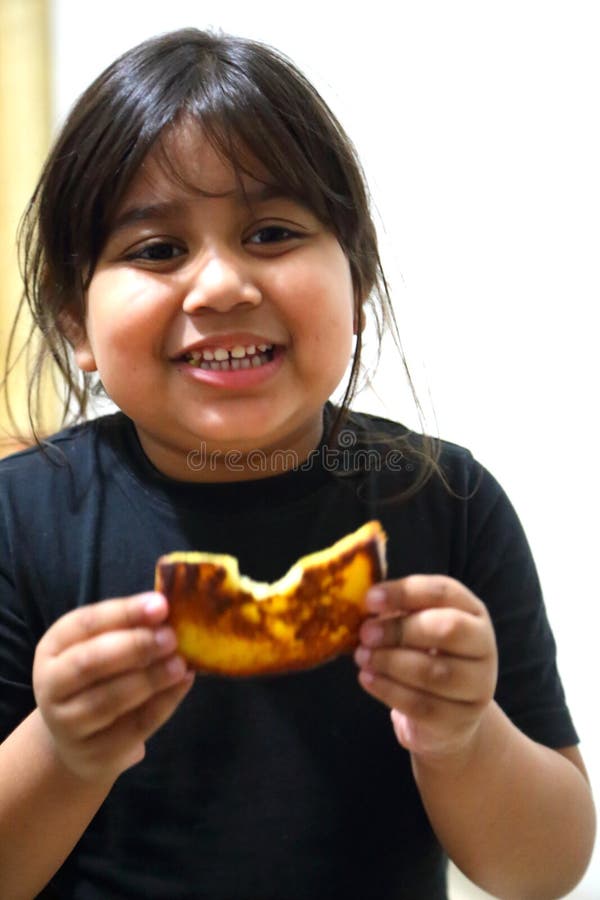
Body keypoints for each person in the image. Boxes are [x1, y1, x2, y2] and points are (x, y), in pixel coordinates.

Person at [0, 27, 595, 900]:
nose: (222, 286)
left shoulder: (446, 502)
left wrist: (464, 738)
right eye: (157, 249)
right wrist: (62, 747)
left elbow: (542, 871)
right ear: (75, 322)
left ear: (355, 277)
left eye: (272, 232)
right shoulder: (19, 520)